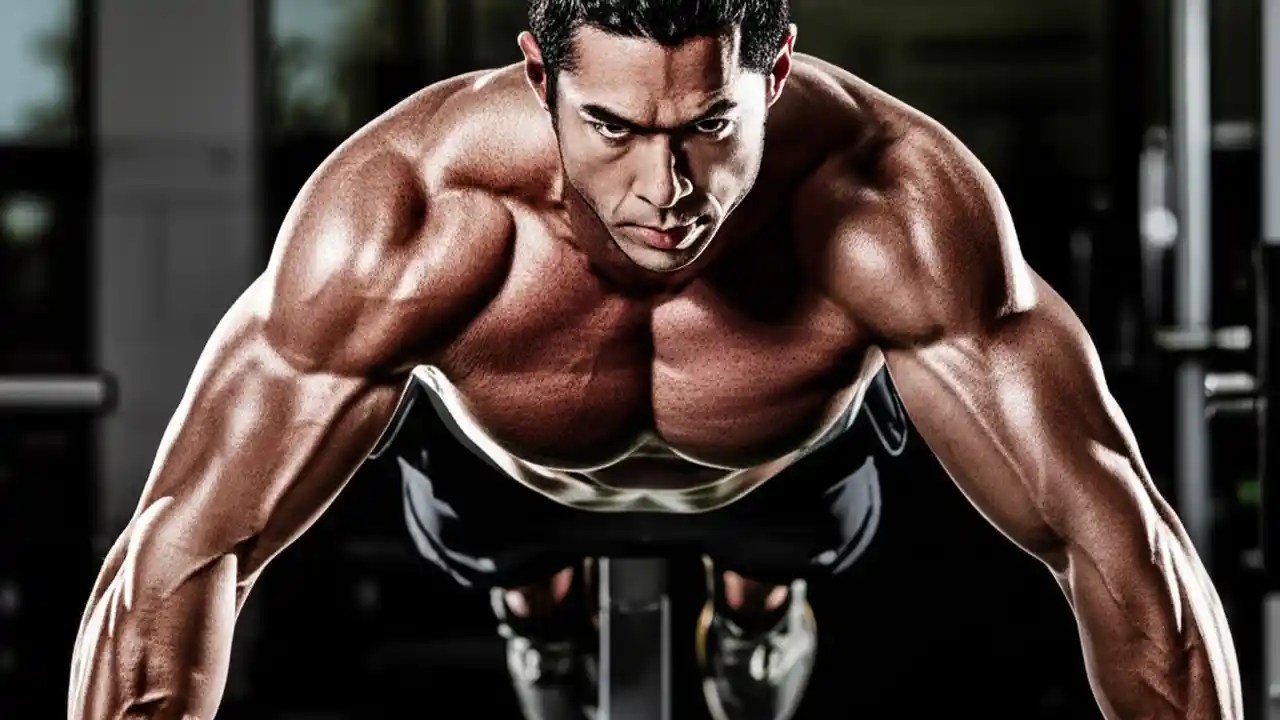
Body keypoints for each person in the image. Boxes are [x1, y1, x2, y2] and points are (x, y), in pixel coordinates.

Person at [68, 1, 1243, 719]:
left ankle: (754, 610)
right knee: (500, 546)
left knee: (779, 551)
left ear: (773, 76)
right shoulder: (411, 214)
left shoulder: (889, 203)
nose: (665, 192)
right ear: (542, 79)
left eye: (709, 128)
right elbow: (182, 551)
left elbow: (1113, 540)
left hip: (782, 472)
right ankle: (536, 615)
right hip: (503, 478)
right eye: (615, 130)